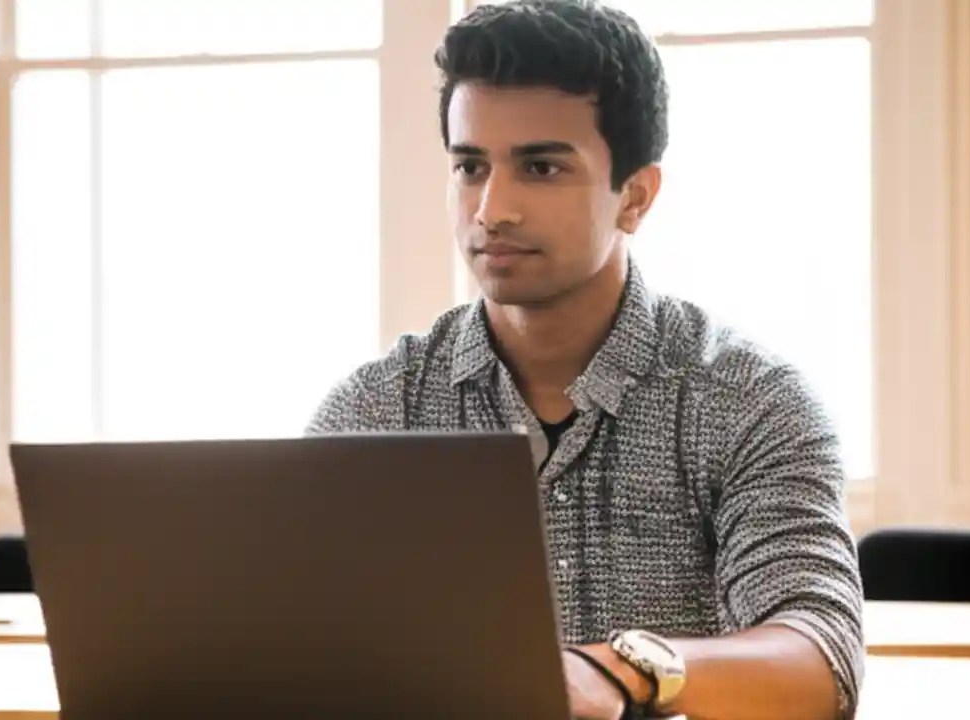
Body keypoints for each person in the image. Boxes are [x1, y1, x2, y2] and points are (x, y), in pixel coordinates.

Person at [307, 1, 864, 718]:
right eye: (470, 167)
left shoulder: (752, 402)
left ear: (635, 195)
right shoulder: (373, 412)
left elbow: (820, 663)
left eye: (541, 167)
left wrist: (617, 670)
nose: (491, 209)